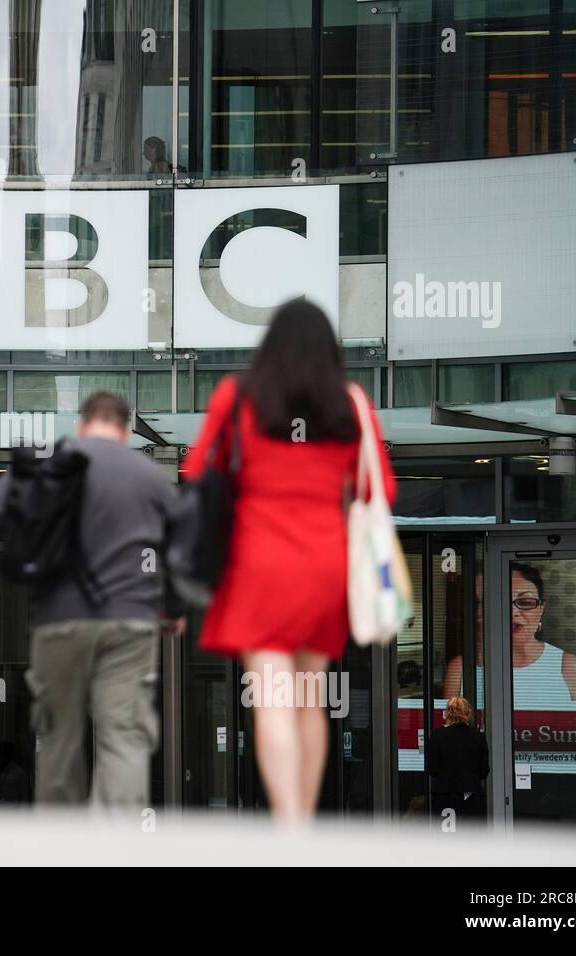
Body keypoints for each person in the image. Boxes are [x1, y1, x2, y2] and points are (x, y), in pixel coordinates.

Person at [182, 299, 396, 824]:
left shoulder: (239, 398)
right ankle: (304, 820)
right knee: (309, 698)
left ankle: (290, 828)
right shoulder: (349, 404)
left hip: (259, 565)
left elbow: (197, 470)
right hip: (325, 567)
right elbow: (379, 488)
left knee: (273, 695)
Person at [0, 391, 181, 810]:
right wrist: (173, 608)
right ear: (125, 431)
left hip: (59, 618)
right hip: (131, 622)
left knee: (58, 737)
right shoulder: (150, 475)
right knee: (123, 736)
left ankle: (62, 845)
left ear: (81, 424)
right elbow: (183, 547)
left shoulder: (51, 463)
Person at [443, 563, 576, 706]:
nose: (512, 612)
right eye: (498, 603)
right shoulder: (460, 668)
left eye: (525, 602)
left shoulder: (565, 663)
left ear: (541, 609)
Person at [425, 696, 489, 822]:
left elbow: (432, 769)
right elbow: (484, 771)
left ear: (447, 713)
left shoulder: (437, 735)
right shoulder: (478, 736)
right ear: (468, 713)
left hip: (445, 794)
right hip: (471, 795)